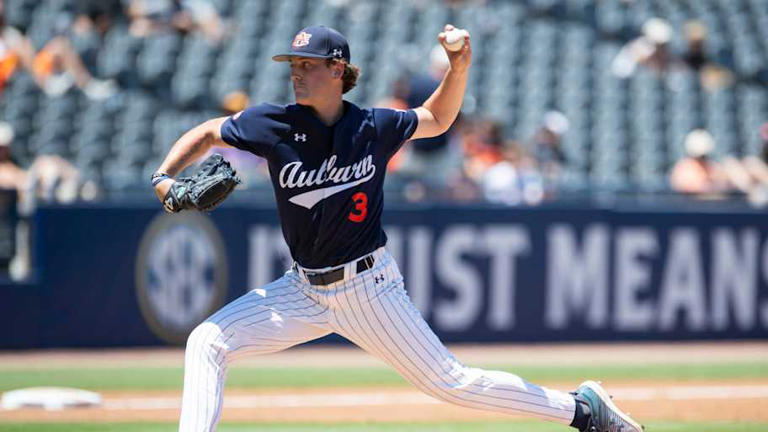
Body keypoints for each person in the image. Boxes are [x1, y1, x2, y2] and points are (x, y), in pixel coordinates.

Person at [152, 24, 642, 432]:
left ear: (337, 70)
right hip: (301, 289)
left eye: (307, 64)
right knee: (207, 342)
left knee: (452, 383)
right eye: (292, 64)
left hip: (367, 288)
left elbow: (437, 118)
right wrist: (164, 177)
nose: (296, 73)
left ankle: (582, 410)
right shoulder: (273, 124)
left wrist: (458, 68)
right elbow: (209, 132)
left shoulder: (372, 127)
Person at [670, 129, 729, 195]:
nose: (701, 160)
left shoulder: (712, 167)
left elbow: (724, 184)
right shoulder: (683, 168)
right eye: (699, 157)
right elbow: (683, 187)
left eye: (703, 157)